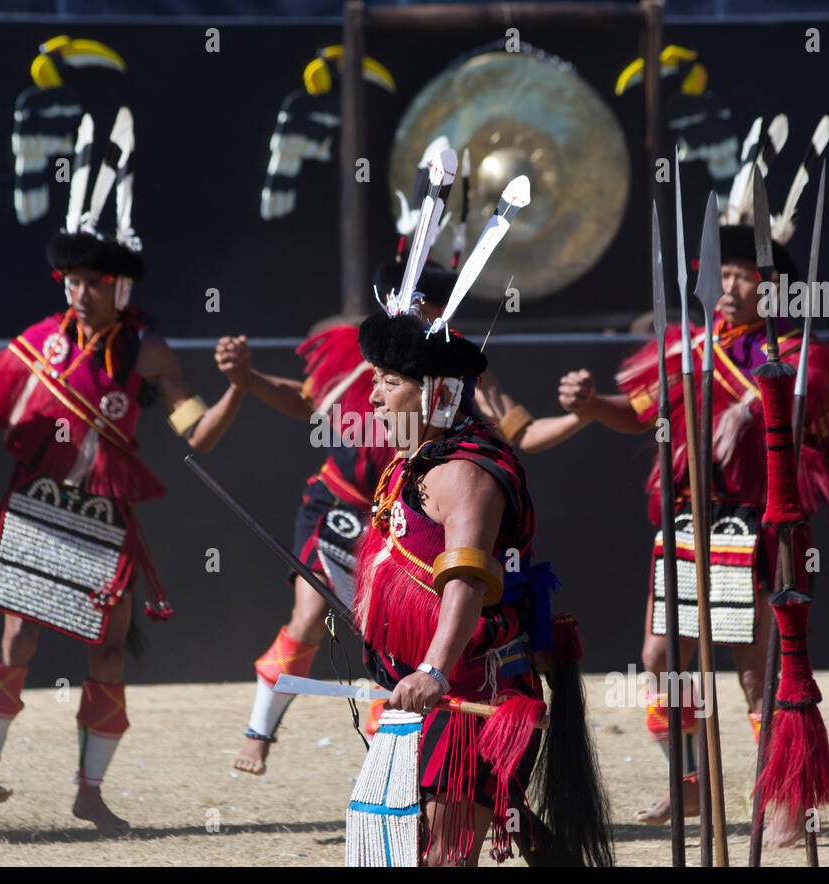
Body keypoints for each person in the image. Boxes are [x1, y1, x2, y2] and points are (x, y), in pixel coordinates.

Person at [0, 109, 248, 836]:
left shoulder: (149, 354)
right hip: (40, 501)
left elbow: (197, 435)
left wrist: (240, 385)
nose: (78, 293)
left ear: (120, 286)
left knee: (111, 643)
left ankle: (90, 792)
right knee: (19, 635)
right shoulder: (34, 345)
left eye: (92, 282)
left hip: (105, 516)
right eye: (71, 281)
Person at [560, 225, 829, 840]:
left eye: (746, 275)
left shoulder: (801, 361)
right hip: (688, 521)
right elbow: (635, 415)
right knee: (661, 660)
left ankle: (784, 798)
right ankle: (686, 788)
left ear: (774, 292)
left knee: (755, 671)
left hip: (761, 527)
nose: (730, 286)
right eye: (725, 274)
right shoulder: (689, 351)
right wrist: (589, 406)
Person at [216, 261, 589, 776]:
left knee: (408, 639)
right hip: (351, 503)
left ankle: (404, 739)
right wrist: (248, 380)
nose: (373, 397)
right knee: (312, 617)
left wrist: (585, 413)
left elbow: (520, 436)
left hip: (425, 520)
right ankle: (262, 730)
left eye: (417, 303)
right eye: (397, 300)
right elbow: (307, 402)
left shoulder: (457, 389)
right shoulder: (367, 362)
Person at [348, 301, 612, 866]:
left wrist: (434, 670)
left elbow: (465, 581)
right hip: (425, 691)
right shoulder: (411, 461)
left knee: (447, 857)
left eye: (389, 382)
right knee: (417, 848)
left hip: (474, 693)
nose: (372, 397)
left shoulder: (467, 474)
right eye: (375, 380)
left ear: (439, 395)